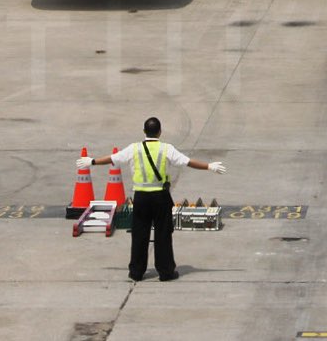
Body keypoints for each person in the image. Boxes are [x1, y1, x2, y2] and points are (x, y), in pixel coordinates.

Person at [79, 118, 225, 281]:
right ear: (160, 132)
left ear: (144, 132)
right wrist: (209, 166)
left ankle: (136, 272)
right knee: (163, 234)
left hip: (141, 198)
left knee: (139, 234)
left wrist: (92, 161)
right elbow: (187, 162)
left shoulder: (134, 148)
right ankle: (166, 271)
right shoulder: (166, 149)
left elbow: (113, 159)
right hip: (160, 198)